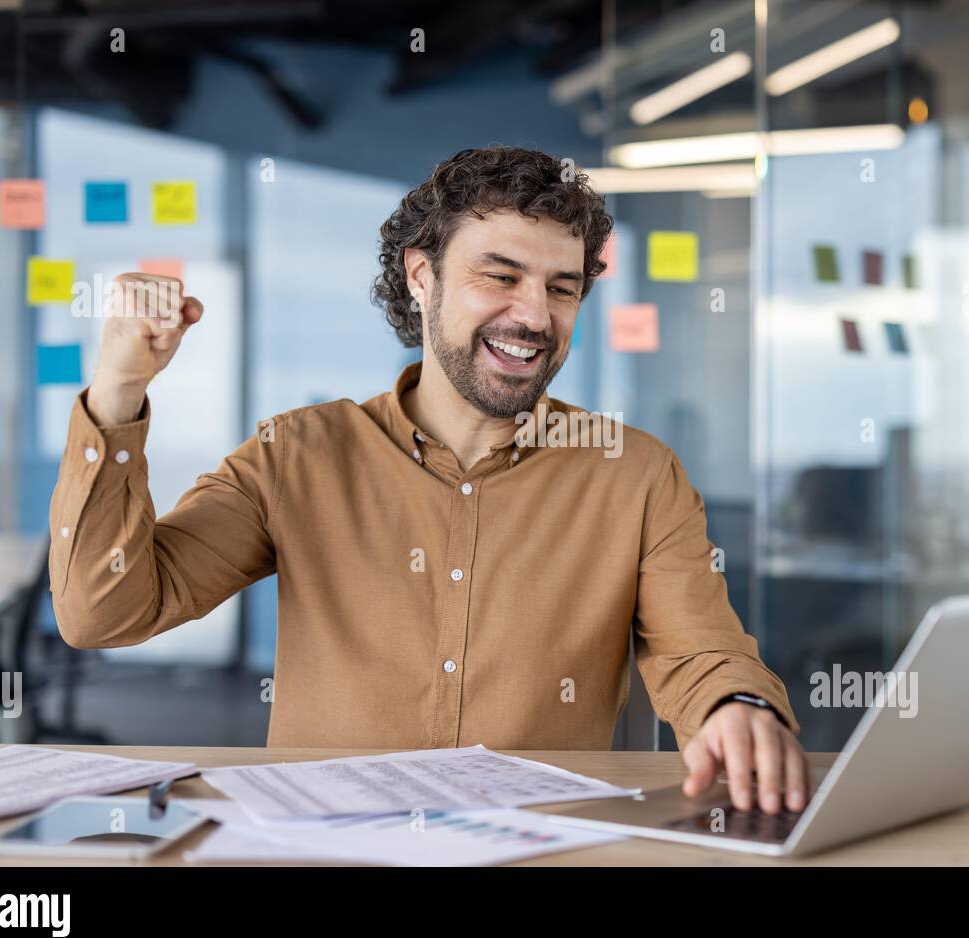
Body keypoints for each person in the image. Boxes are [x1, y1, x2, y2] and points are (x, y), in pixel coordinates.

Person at [49, 146, 809, 814]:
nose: (535, 315)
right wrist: (118, 394)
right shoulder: (298, 455)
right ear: (422, 275)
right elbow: (105, 612)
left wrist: (735, 705)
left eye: (562, 287)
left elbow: (700, 652)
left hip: (539, 850)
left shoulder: (636, 472)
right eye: (501, 276)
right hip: (329, 855)